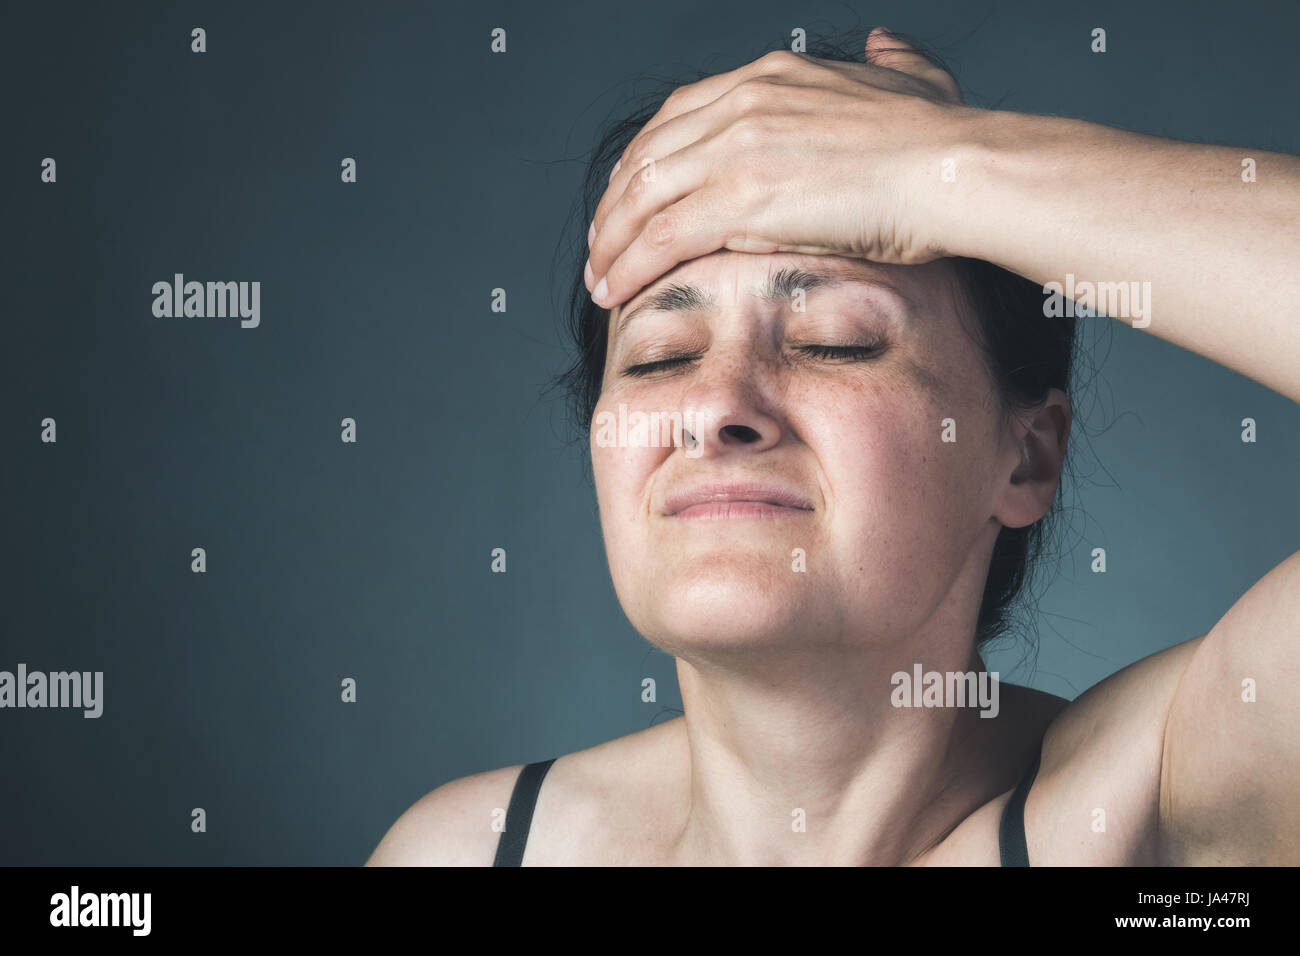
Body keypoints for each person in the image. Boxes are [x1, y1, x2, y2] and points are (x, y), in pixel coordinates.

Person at [367, 28, 1300, 865]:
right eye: (660, 357)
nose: (716, 408)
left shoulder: (1161, 825)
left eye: (835, 342)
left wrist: (948, 166)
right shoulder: (465, 852)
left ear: (1025, 459)